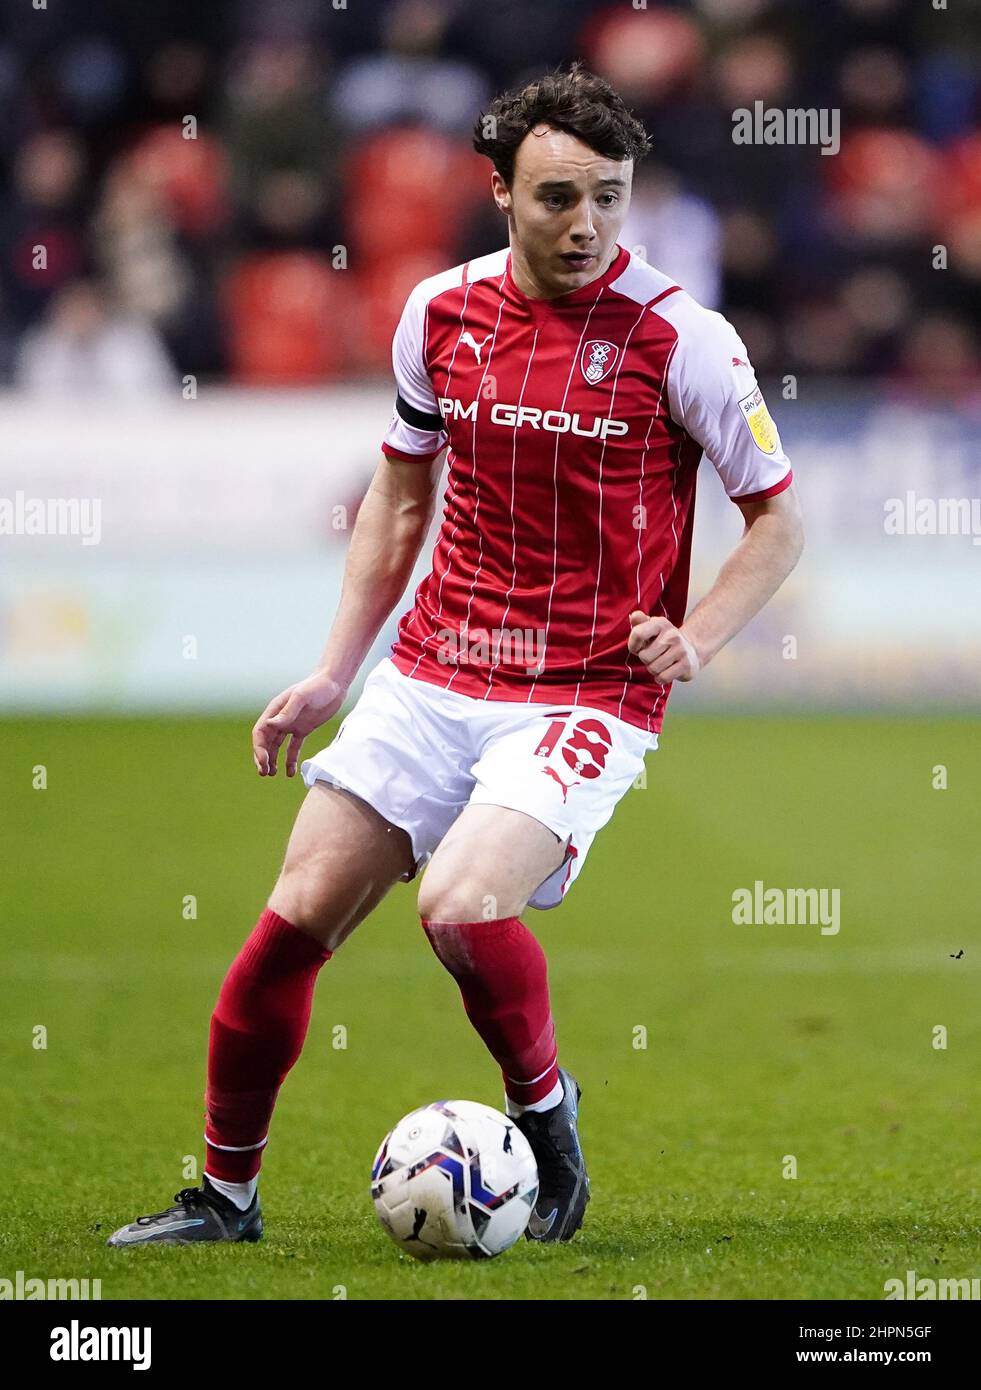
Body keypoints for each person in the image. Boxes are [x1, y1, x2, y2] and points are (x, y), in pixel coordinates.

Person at [108, 63, 803, 1250]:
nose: (585, 225)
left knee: (462, 907)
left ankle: (544, 1111)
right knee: (293, 916)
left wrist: (698, 635)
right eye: (556, 198)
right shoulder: (439, 313)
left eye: (609, 198)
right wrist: (336, 669)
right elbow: (396, 501)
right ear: (499, 192)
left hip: (586, 689)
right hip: (434, 668)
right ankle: (225, 1201)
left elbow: (777, 521)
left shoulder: (686, 338)